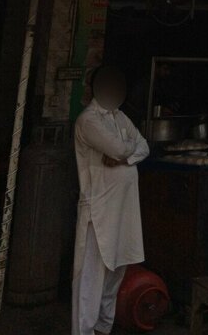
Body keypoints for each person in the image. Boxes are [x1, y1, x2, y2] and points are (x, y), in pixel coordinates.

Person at [72, 65, 149, 335]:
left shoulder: (119, 116)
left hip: (124, 209)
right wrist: (125, 149)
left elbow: (143, 145)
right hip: (99, 208)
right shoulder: (88, 120)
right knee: (91, 277)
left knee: (116, 269)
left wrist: (125, 156)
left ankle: (103, 328)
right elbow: (119, 146)